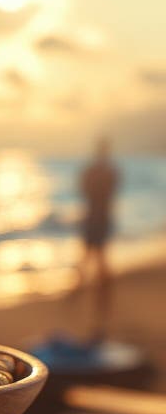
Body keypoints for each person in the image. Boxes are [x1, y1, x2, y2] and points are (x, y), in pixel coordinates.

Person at [77, 136, 119, 340]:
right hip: (98, 218)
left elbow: (84, 190)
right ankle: (87, 287)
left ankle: (83, 288)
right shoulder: (108, 172)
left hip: (95, 218)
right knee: (94, 257)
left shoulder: (94, 171)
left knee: (93, 257)